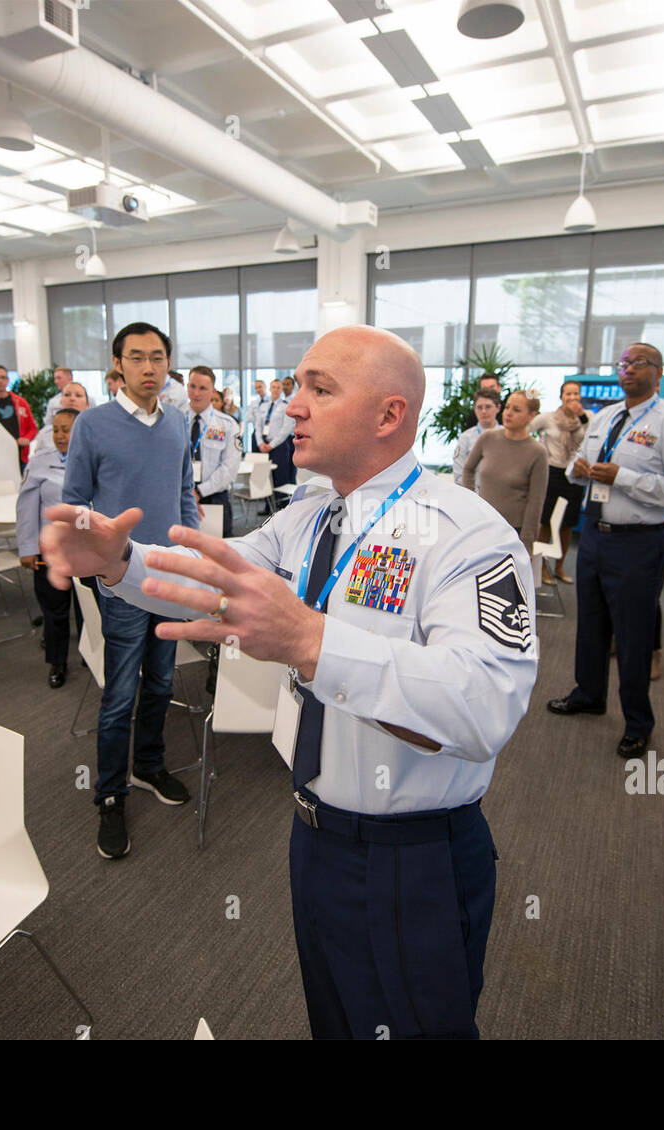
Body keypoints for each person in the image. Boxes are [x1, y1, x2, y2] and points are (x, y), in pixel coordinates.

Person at [40, 324, 536, 1040]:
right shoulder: (309, 516)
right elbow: (219, 576)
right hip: (314, 834)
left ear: (389, 415)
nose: (293, 405)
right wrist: (120, 564)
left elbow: (483, 707)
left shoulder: (466, 534)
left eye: (319, 389)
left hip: (411, 857)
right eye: (298, 385)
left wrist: (311, 641)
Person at [62, 322, 198, 858]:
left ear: (168, 363)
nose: (148, 367)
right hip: (120, 579)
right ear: (117, 364)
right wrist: (96, 560)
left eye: (157, 357)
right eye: (137, 357)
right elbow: (76, 503)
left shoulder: (177, 421)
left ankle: (148, 765)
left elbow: (183, 492)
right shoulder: (92, 425)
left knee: (162, 682)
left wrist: (192, 555)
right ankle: (110, 794)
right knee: (120, 693)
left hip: (168, 575)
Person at [546, 342, 664, 759]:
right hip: (594, 536)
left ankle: (637, 722)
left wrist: (624, 478)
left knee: (632, 635)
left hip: (638, 542)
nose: (628, 368)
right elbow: (578, 463)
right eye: (623, 363)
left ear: (658, 372)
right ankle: (588, 693)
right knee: (590, 623)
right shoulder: (607, 416)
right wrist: (578, 470)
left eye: (638, 362)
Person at [18, 408, 83, 688]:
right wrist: (27, 547)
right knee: (55, 610)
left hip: (87, 551)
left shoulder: (94, 459)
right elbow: (26, 508)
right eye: (56, 429)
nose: (59, 435)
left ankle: (91, 654)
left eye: (66, 430)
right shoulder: (39, 462)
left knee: (88, 608)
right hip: (52, 550)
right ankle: (57, 662)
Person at [462, 390, 548, 554]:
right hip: (483, 523)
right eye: (507, 407)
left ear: (531, 415)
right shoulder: (488, 438)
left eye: (516, 410)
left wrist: (527, 543)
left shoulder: (537, 452)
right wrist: (471, 501)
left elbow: (536, 501)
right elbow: (468, 469)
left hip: (513, 530)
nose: (508, 413)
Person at [529, 379, 589, 584]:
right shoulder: (549, 418)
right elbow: (526, 427)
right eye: (568, 394)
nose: (572, 397)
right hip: (552, 473)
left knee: (567, 523)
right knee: (546, 522)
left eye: (575, 394)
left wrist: (581, 417)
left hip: (575, 473)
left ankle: (560, 567)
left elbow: (591, 439)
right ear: (561, 396)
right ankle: (541, 567)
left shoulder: (587, 417)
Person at [185, 365, 242, 537]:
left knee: (217, 551)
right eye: (192, 386)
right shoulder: (175, 420)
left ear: (212, 392)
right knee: (178, 550)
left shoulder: (227, 425)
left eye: (203, 388)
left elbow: (229, 468)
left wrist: (198, 492)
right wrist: (186, 494)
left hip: (214, 498)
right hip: (180, 499)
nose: (196, 393)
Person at [452, 387, 501, 488]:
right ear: (474, 409)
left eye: (488, 407)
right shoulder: (465, 438)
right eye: (479, 407)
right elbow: (459, 474)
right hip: (473, 493)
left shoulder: (507, 435)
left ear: (498, 408)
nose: (483, 411)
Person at [32, 380, 89, 459]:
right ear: (60, 402)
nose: (72, 399)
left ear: (87, 404)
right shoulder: (45, 435)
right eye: (67, 395)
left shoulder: (97, 431)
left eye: (78, 395)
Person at [258, 377, 296, 488]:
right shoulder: (263, 406)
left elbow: (286, 429)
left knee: (280, 479)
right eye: (273, 387)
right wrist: (260, 443)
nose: (275, 390)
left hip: (279, 446)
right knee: (264, 479)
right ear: (270, 389)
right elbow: (258, 426)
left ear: (281, 390)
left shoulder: (286, 406)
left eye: (278, 387)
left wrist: (271, 445)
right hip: (264, 445)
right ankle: (268, 500)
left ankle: (281, 500)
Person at [245, 378, 269, 452]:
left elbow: (268, 418)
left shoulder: (272, 401)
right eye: (256, 388)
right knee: (256, 456)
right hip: (256, 432)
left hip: (268, 432)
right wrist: (259, 416)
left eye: (260, 387)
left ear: (265, 387)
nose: (258, 390)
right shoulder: (254, 403)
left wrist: (255, 414)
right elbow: (248, 418)